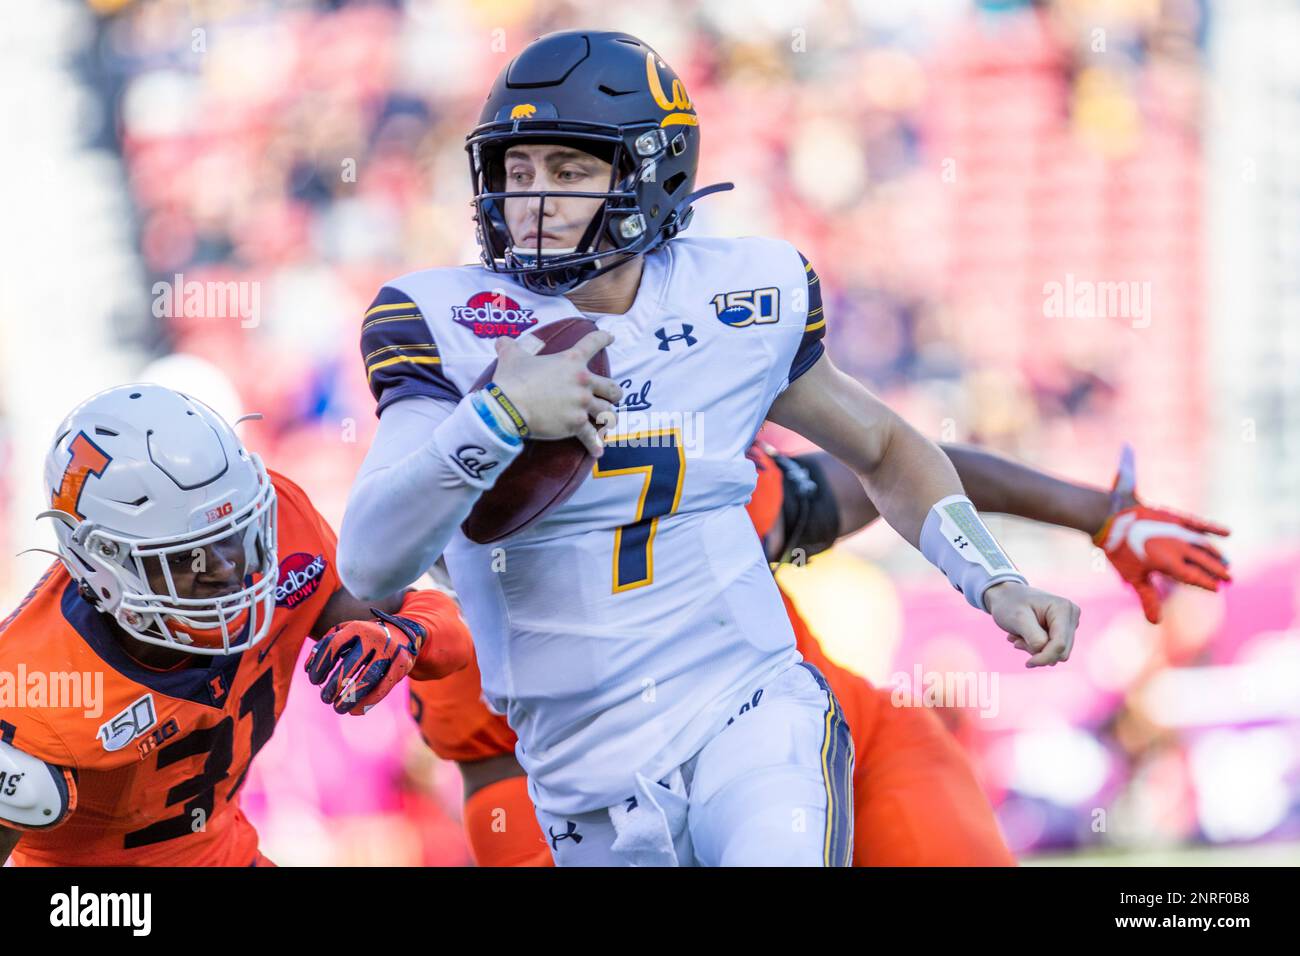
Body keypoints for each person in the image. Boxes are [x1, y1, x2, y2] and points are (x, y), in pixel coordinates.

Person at [338, 30, 1081, 866]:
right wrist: (502, 414)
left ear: (653, 174)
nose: (535, 200)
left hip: (747, 710)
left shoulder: (739, 296)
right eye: (518, 172)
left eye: (569, 171)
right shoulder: (446, 321)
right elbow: (368, 563)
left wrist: (996, 579)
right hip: (579, 779)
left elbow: (884, 448)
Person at [409, 441, 1230, 866]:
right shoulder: (463, 643)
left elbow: (889, 466)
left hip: (858, 755)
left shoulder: (678, 494)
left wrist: (1098, 514)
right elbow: (509, 813)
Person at [0, 384, 471, 866]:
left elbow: (450, 626)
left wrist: (409, 636)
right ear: (103, 564)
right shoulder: (32, 689)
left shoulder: (284, 529)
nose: (228, 569)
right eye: (189, 556)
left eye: (238, 535)